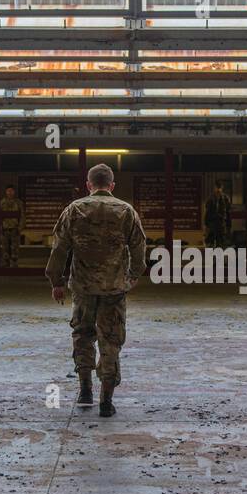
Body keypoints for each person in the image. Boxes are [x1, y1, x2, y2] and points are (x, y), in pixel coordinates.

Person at [45, 164, 147, 417]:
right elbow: (139, 249)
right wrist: (132, 277)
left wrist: (56, 281)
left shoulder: (75, 209)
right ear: (112, 186)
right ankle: (106, 401)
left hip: (82, 287)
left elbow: (59, 249)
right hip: (113, 289)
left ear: (89, 185)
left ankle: (85, 391)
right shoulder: (126, 211)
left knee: (83, 334)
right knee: (110, 340)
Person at [0, 184, 24, 268]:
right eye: (8, 191)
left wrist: (20, 227)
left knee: (15, 248)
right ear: (6, 192)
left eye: (11, 191)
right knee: (5, 247)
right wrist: (0, 227)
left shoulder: (18, 203)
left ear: (14, 192)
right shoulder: (2, 203)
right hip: (5, 228)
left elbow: (22, 216)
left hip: (15, 228)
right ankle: (5, 264)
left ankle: (14, 264)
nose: (10, 192)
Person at [204, 180, 232, 248]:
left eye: (219, 187)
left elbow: (228, 212)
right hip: (214, 222)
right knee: (212, 241)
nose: (218, 189)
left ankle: (217, 256)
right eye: (217, 187)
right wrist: (206, 223)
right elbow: (208, 212)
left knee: (220, 242)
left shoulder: (225, 198)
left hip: (220, 222)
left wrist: (228, 224)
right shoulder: (211, 198)